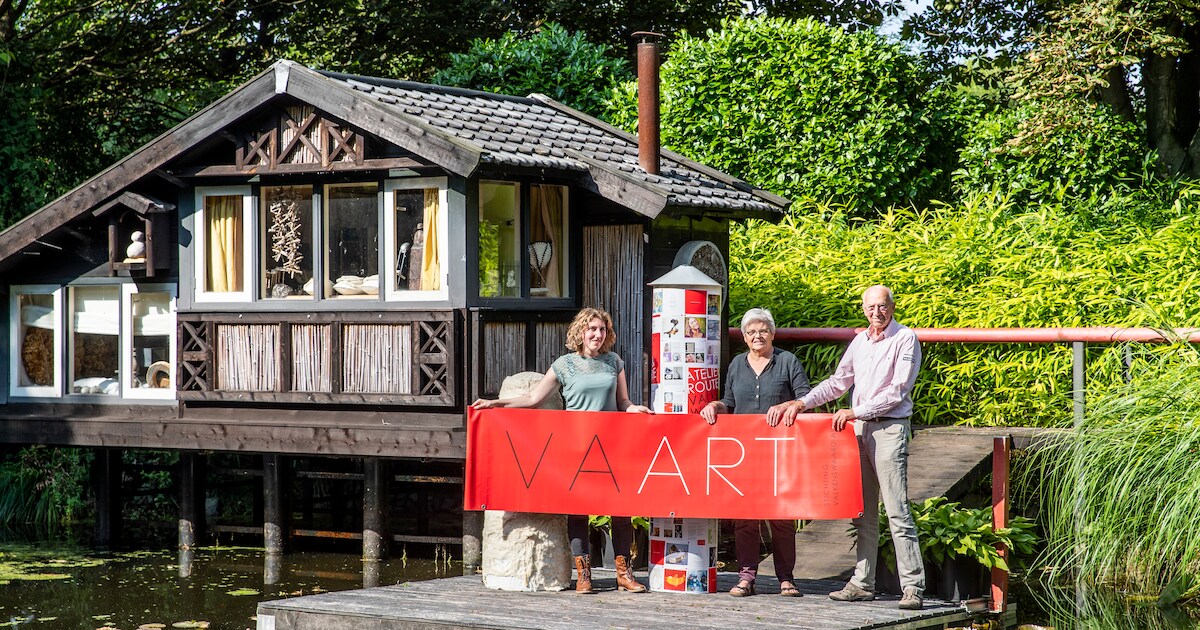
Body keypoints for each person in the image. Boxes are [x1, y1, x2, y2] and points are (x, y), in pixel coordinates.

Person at [471, 307, 653, 594]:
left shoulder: (614, 362)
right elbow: (533, 398)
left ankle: (624, 574)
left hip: (610, 445)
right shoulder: (564, 365)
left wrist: (635, 409)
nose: (597, 334)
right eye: (592, 329)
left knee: (621, 509)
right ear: (581, 332)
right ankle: (584, 575)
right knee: (578, 512)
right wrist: (494, 404)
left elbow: (623, 401)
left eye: (602, 330)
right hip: (576, 446)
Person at [769, 285, 925, 610]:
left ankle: (912, 587)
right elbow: (838, 381)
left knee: (897, 511)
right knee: (863, 513)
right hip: (860, 430)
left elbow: (898, 391)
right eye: (871, 307)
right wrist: (801, 402)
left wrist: (856, 411)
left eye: (882, 306)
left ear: (892, 307)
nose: (876, 312)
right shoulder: (861, 341)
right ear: (864, 308)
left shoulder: (905, 338)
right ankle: (863, 583)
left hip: (889, 427)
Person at [698, 308, 811, 598]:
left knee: (781, 517)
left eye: (763, 331)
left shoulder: (787, 361)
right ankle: (746, 577)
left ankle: (786, 578)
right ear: (745, 337)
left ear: (772, 334)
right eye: (751, 332)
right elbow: (730, 401)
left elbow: (805, 398)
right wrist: (715, 406)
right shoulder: (737, 364)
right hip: (744, 451)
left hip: (780, 451)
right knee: (745, 518)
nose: (757, 336)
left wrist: (787, 406)